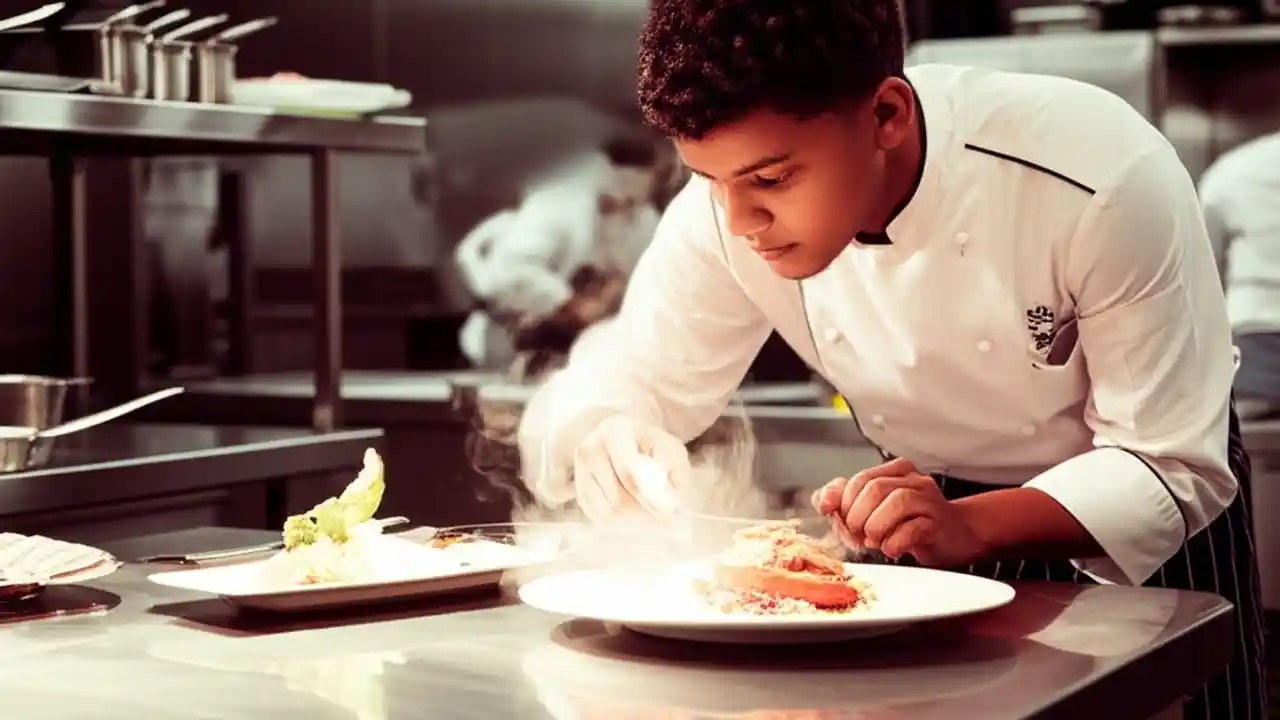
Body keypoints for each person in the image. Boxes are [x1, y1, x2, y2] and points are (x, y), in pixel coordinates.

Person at [516, 2, 1267, 717]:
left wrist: (970, 523)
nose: (739, 221)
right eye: (709, 181)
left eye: (771, 180)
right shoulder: (722, 213)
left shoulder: (1101, 172)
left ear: (886, 114)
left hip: (1141, 545)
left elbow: (1171, 463)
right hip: (920, 530)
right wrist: (611, 431)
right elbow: (635, 375)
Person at [454, 137, 664, 373]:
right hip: (507, 346)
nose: (621, 211)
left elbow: (647, 282)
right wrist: (570, 304)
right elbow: (509, 270)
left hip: (591, 353)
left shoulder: (646, 223)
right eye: (611, 204)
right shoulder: (555, 206)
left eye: (630, 204)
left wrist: (614, 291)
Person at [1200, 132, 1280, 419]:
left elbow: (1203, 270)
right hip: (1253, 346)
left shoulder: (1232, 171)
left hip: (1254, 347)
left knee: (1249, 437)